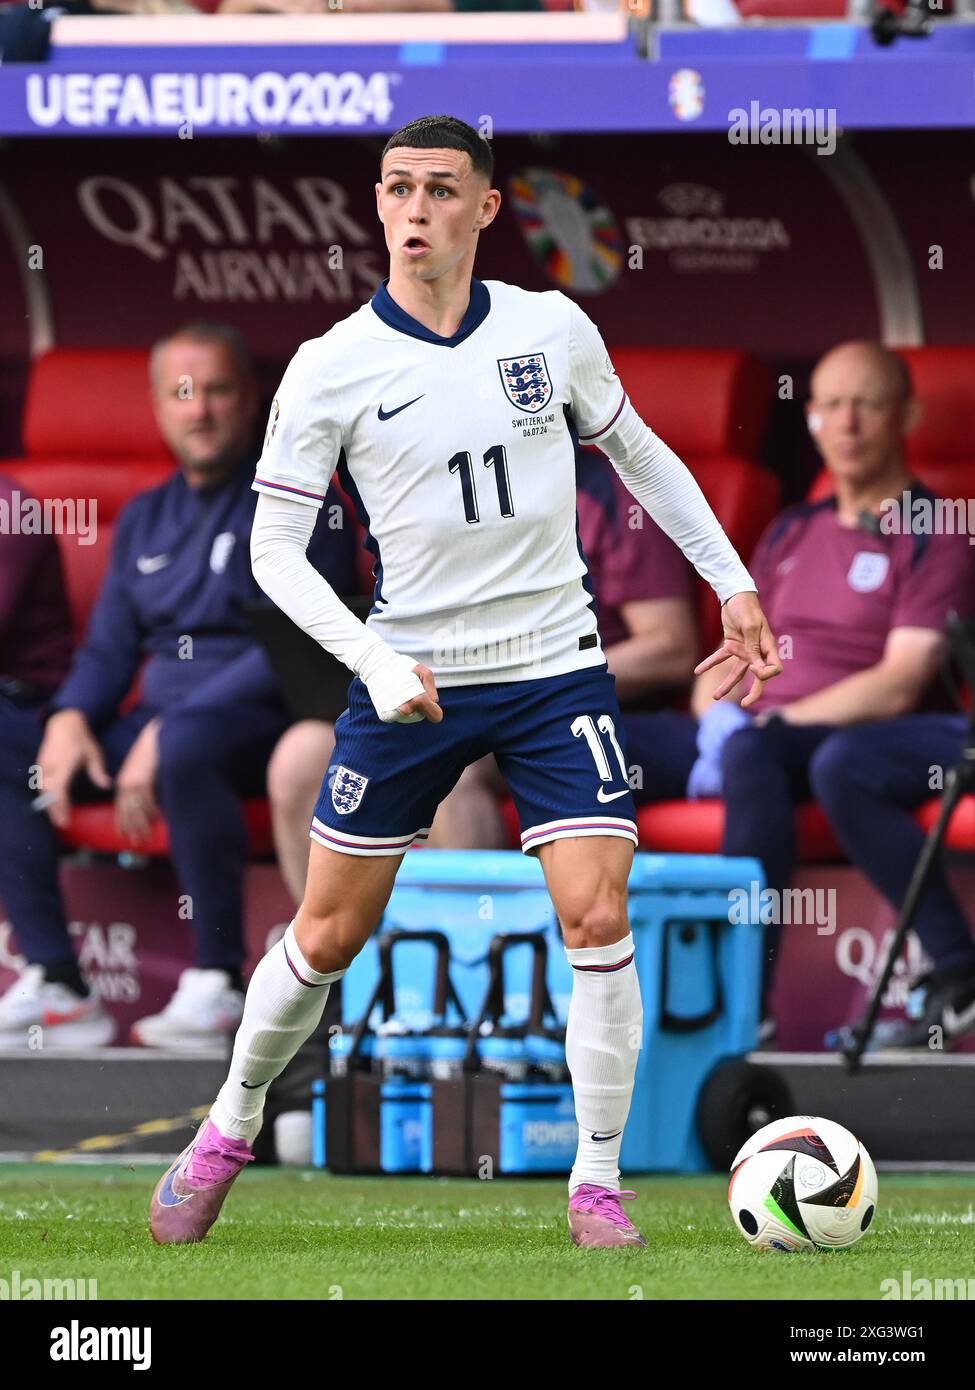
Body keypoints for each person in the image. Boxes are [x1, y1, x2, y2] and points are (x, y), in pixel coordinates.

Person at [149, 114, 779, 1250]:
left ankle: (595, 1182)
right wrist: (378, 661)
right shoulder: (331, 367)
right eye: (397, 189)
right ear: (377, 204)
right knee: (329, 934)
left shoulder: (552, 328)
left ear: (487, 209)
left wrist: (730, 580)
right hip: (414, 674)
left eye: (442, 190)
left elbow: (636, 450)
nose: (415, 210)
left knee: (595, 910)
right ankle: (231, 1121)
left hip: (553, 664)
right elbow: (272, 555)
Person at [0, 323, 357, 1049]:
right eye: (182, 394)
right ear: (160, 406)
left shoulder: (302, 501)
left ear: (252, 400)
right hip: (158, 725)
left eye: (218, 390)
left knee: (189, 740)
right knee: (8, 747)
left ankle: (218, 982)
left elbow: (308, 639)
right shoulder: (144, 515)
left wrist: (168, 730)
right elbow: (108, 650)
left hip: (268, 715)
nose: (200, 410)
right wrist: (69, 716)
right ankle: (60, 982)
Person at [684, 342, 975, 1036]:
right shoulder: (789, 529)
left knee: (788, 757)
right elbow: (729, 656)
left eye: (866, 405)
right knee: (594, 741)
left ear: (905, 415)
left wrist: (761, 730)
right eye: (830, 406)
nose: (846, 424)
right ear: (809, 417)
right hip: (765, 730)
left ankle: (739, 1005)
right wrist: (710, 717)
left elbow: (899, 684)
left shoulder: (934, 531)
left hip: (868, 732)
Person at [424, 452, 699, 847]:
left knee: (453, 761)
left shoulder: (611, 492)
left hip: (619, 716)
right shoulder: (469, 498)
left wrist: (539, 679)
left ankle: (487, 911)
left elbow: (671, 649)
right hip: (506, 705)